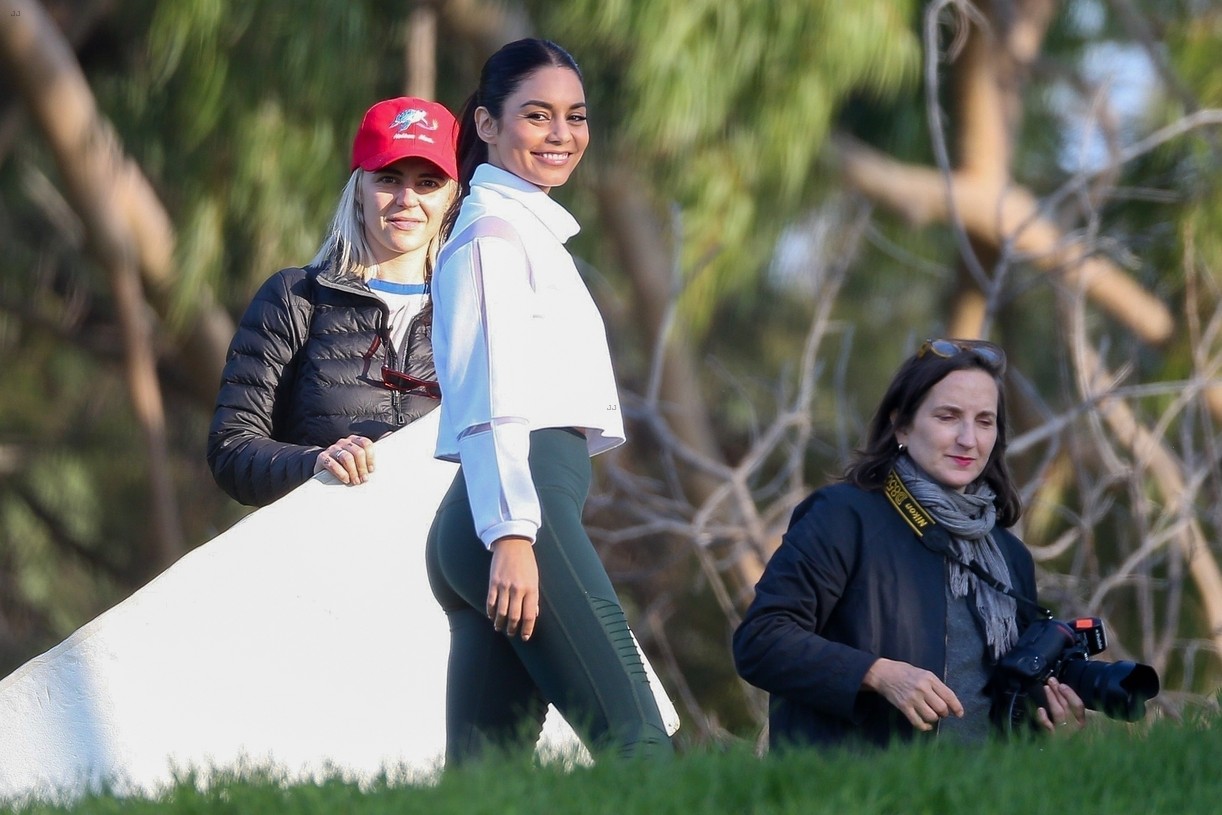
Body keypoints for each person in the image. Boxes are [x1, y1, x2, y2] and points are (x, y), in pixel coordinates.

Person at [425, 38, 674, 765]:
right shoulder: (491, 239)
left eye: (576, 116)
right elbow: (492, 391)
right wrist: (510, 533)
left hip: (492, 514)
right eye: (538, 115)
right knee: (637, 736)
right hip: (511, 514)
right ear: (487, 126)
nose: (562, 134)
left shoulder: (524, 231)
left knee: (485, 788)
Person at [732, 339, 1087, 750]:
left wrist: (1044, 714)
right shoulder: (843, 516)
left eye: (985, 421)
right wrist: (878, 674)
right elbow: (761, 641)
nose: (968, 439)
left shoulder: (1009, 555)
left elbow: (999, 700)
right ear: (901, 425)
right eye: (948, 416)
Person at [208, 97, 459, 507]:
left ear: (452, 197)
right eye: (389, 179)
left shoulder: (475, 307)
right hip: (321, 557)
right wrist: (316, 464)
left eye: (428, 182)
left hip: (441, 559)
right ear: (359, 189)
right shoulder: (294, 298)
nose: (407, 198)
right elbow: (232, 450)